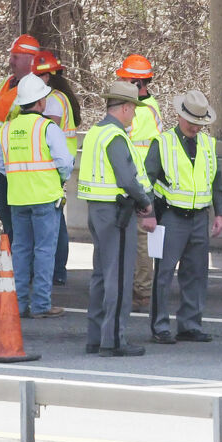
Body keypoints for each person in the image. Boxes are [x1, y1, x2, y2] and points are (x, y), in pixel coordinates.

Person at [79, 79, 158, 357]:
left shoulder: (96, 132)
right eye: (133, 109)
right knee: (120, 277)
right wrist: (145, 202)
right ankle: (113, 340)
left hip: (98, 210)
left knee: (101, 275)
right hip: (116, 213)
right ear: (124, 108)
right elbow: (126, 178)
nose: (134, 115)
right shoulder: (115, 136)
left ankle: (96, 337)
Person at [144, 89, 222, 344]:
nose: (195, 127)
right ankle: (160, 326)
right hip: (171, 216)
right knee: (164, 274)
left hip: (200, 217)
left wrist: (220, 213)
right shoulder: (162, 143)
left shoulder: (208, 145)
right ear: (180, 116)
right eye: (191, 121)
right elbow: (147, 180)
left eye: (200, 123)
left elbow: (216, 181)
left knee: (196, 273)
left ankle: (190, 325)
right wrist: (149, 213)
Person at [1, 71, 75, 319]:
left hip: (17, 198)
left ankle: (19, 304)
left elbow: (2, 166)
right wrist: (60, 178)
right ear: (41, 102)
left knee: (21, 250)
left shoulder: (7, 129)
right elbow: (64, 162)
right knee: (44, 251)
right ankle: (41, 304)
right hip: (45, 197)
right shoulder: (47, 127)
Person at [0, 34, 43, 247]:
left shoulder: (34, 87)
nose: (10, 61)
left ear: (31, 60)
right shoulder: (7, 83)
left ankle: (21, 256)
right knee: (5, 210)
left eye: (15, 57)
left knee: (18, 212)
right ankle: (11, 255)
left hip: (19, 158)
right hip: (0, 156)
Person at [116, 54, 162, 311]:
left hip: (138, 183)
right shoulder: (146, 107)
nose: (121, 84)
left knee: (140, 241)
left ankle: (142, 292)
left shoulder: (140, 112)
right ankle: (138, 289)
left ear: (137, 83)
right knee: (138, 240)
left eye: (125, 80)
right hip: (138, 181)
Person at [34, 50, 77, 291]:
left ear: (47, 77)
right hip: (57, 162)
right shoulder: (60, 96)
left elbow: (47, 129)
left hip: (54, 164)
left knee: (54, 221)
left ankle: (57, 270)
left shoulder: (52, 100)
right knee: (56, 218)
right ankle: (57, 270)